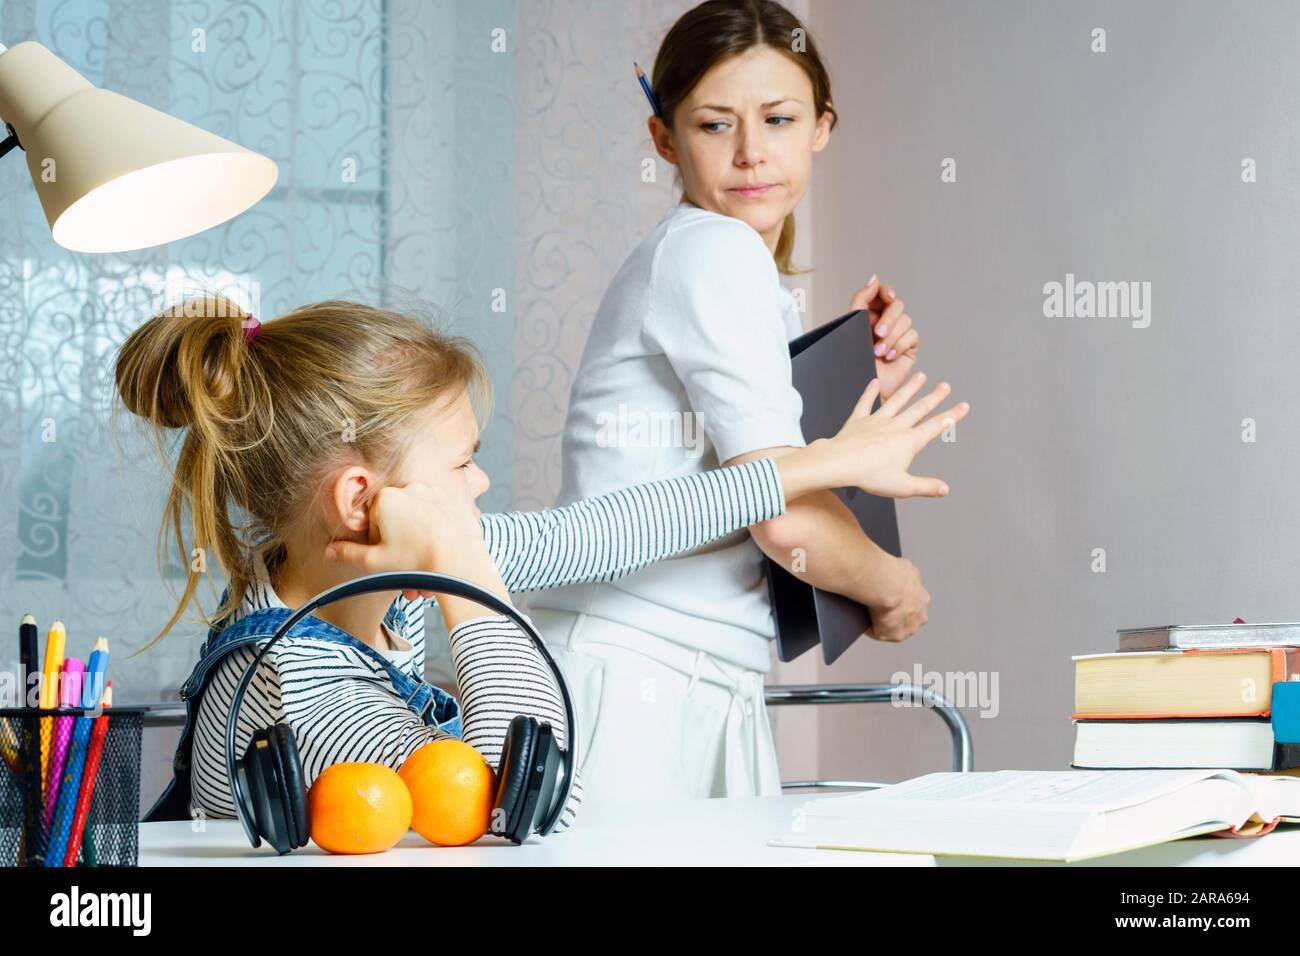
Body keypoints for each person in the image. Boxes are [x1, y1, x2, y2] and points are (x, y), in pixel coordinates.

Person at [117, 295, 966, 831]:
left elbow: (617, 526)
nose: (480, 484)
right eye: (459, 467)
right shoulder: (294, 686)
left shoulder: (382, 592)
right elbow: (524, 806)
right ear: (359, 502)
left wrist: (829, 461)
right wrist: (463, 565)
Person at [529, 0, 948, 802]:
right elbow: (781, 516)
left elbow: (757, 472)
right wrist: (894, 587)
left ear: (821, 127)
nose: (753, 153)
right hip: (639, 676)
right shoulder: (714, 251)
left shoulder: (712, 258)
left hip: (666, 672)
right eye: (716, 125)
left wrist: (855, 384)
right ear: (665, 139)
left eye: (779, 119)